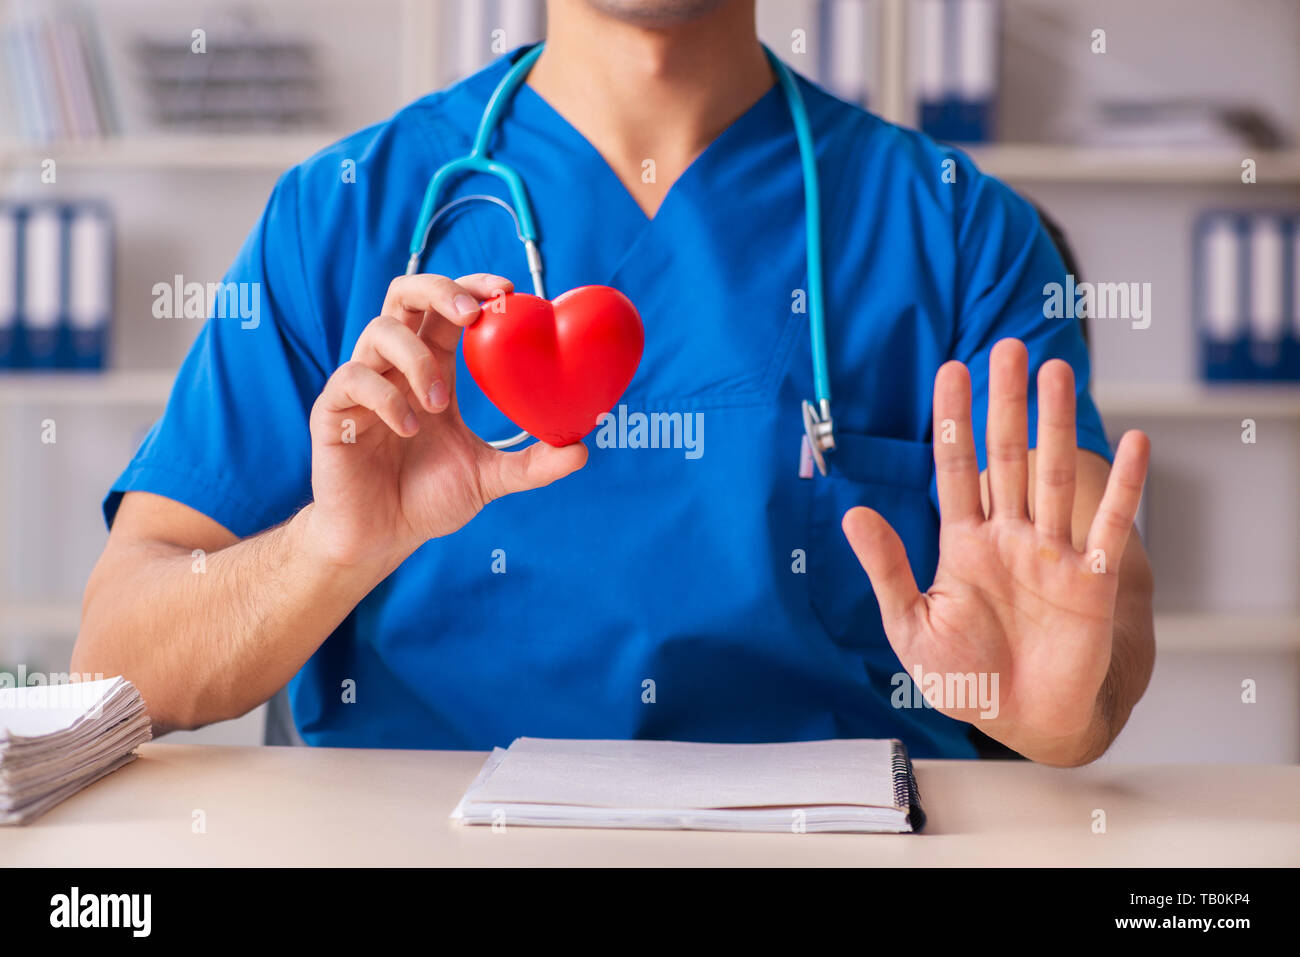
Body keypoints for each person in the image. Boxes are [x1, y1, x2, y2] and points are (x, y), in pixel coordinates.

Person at [73, 0, 1153, 765]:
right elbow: (117, 661)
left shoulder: (963, 230)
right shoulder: (343, 212)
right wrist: (333, 547)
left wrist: (1049, 715)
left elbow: (1085, 650)